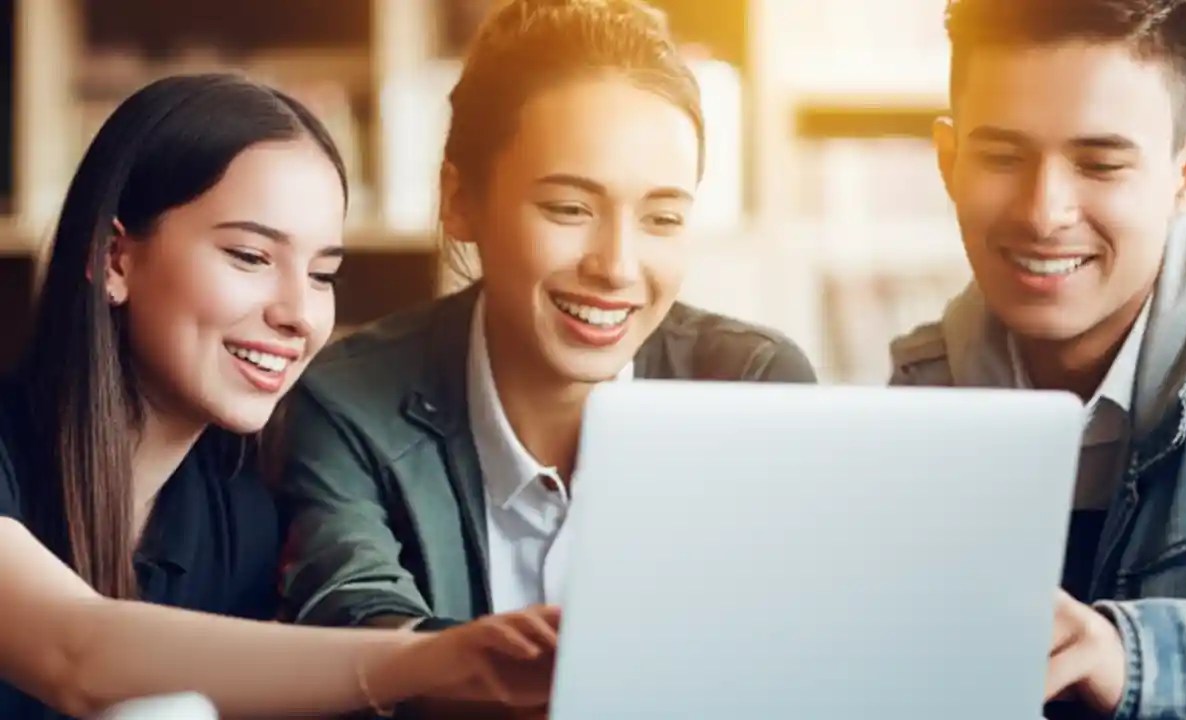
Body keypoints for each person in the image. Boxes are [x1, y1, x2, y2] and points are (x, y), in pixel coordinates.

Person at [278, 0, 815, 712]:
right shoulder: (347, 403)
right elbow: (353, 613)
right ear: (460, 199)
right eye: (569, 209)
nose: (617, 266)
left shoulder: (754, 386)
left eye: (662, 218)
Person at [0, 73, 559, 720]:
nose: (299, 314)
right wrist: (430, 659)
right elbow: (76, 653)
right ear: (114, 259)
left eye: (323, 274)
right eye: (250, 256)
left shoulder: (241, 514)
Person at [889, 0, 1186, 717]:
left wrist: (1133, 657)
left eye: (1100, 164)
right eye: (1002, 158)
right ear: (948, 162)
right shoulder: (921, 389)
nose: (1044, 213)